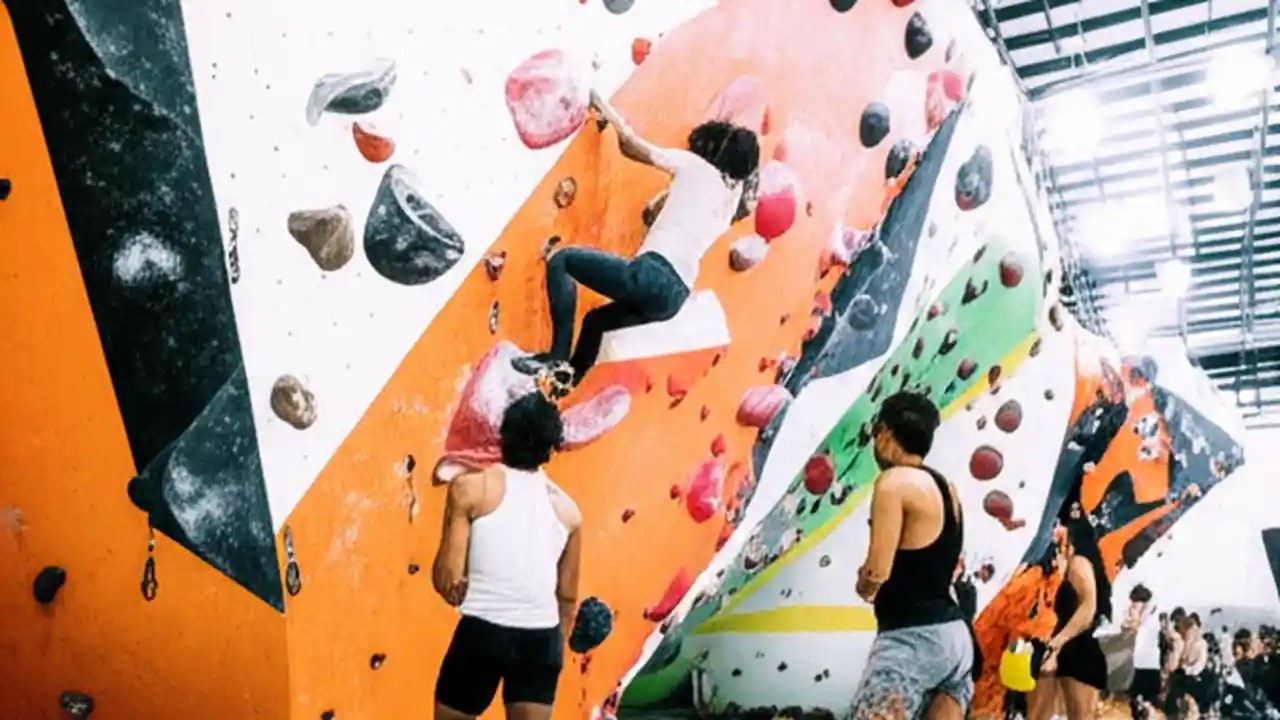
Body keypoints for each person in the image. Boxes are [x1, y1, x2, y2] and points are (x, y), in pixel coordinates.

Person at [513, 88, 760, 387]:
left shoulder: (695, 167)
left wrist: (600, 103)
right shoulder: (729, 203)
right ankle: (565, 381)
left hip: (652, 274)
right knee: (596, 322)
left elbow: (631, 146)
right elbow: (746, 204)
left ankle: (556, 355)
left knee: (562, 261)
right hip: (674, 297)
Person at [432, 392, 583, 720]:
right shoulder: (568, 512)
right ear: (550, 449)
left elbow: (447, 580)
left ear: (504, 435)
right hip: (541, 641)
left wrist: (466, 587)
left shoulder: (471, 490)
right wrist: (551, 653)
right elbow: (568, 595)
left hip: (484, 632)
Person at [850, 391, 974, 719]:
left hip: (911, 642)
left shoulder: (893, 483)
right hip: (955, 642)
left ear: (886, 434)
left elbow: (879, 571)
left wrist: (865, 586)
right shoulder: (947, 488)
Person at [1028, 515, 1113, 720]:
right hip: (1062, 652)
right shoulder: (1064, 564)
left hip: (1075, 653)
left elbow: (1088, 608)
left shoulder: (1079, 563)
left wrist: (1056, 643)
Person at [1125, 585, 1162, 718]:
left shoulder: (1151, 616)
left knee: (1147, 705)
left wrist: (1142, 607)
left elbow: (1153, 604)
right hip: (1139, 664)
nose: (1131, 608)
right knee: (1136, 705)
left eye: (1135, 605)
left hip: (1148, 666)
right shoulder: (1142, 618)